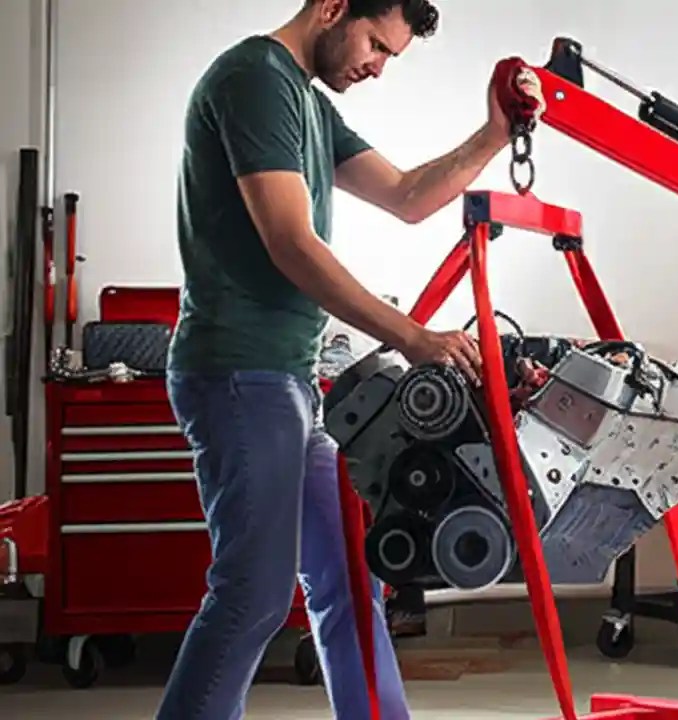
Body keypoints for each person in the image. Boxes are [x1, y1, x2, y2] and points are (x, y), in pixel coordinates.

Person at [158, 1, 541, 718]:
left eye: (390, 55)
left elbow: (406, 196)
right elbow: (291, 243)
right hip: (242, 374)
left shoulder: (304, 101)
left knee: (348, 580)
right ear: (333, 7)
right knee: (252, 595)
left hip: (290, 381)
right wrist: (411, 336)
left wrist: (494, 134)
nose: (376, 65)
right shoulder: (254, 79)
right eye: (375, 44)